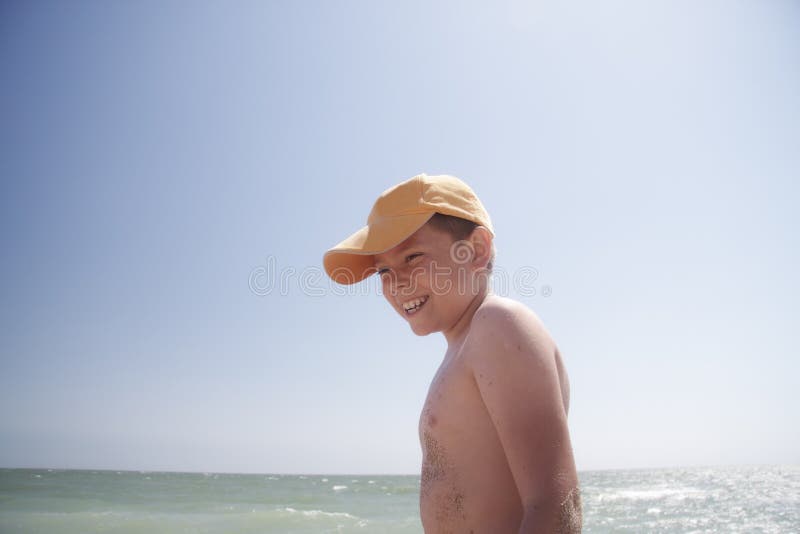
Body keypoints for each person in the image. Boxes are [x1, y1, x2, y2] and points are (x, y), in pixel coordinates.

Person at [323, 173, 582, 533]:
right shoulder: (464, 348)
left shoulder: (498, 324)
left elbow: (556, 506)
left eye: (412, 256)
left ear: (476, 250)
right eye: (383, 270)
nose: (396, 282)